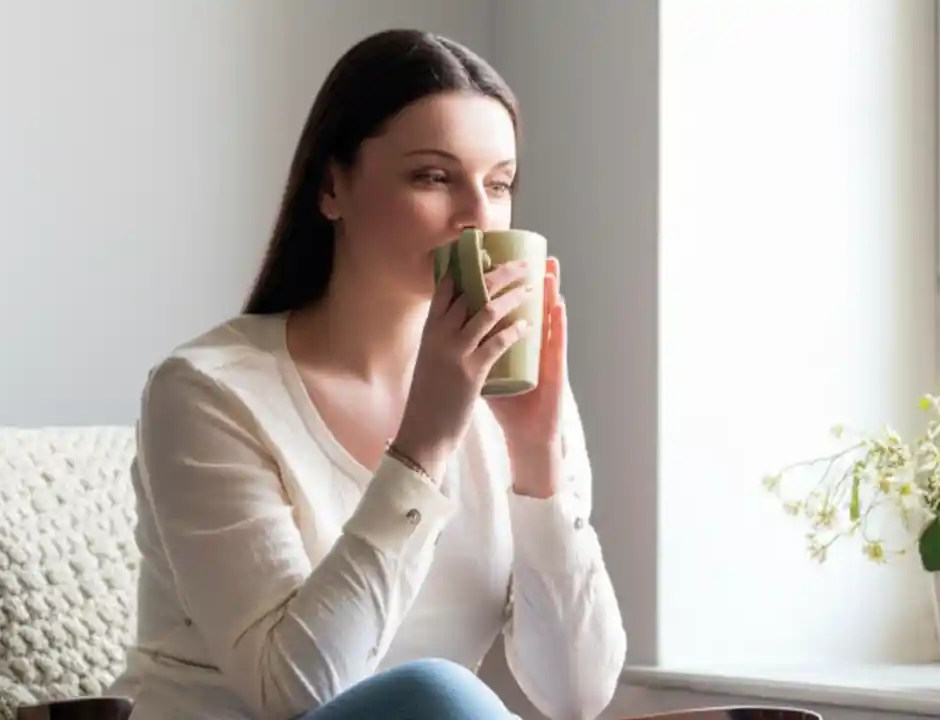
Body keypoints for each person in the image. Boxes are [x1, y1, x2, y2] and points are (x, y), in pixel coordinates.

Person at [107, 28, 627, 720]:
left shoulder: (511, 404)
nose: (478, 217)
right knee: (439, 692)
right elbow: (295, 693)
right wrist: (423, 445)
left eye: (499, 184)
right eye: (433, 177)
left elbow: (578, 695)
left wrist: (536, 460)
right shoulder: (206, 392)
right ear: (331, 187)